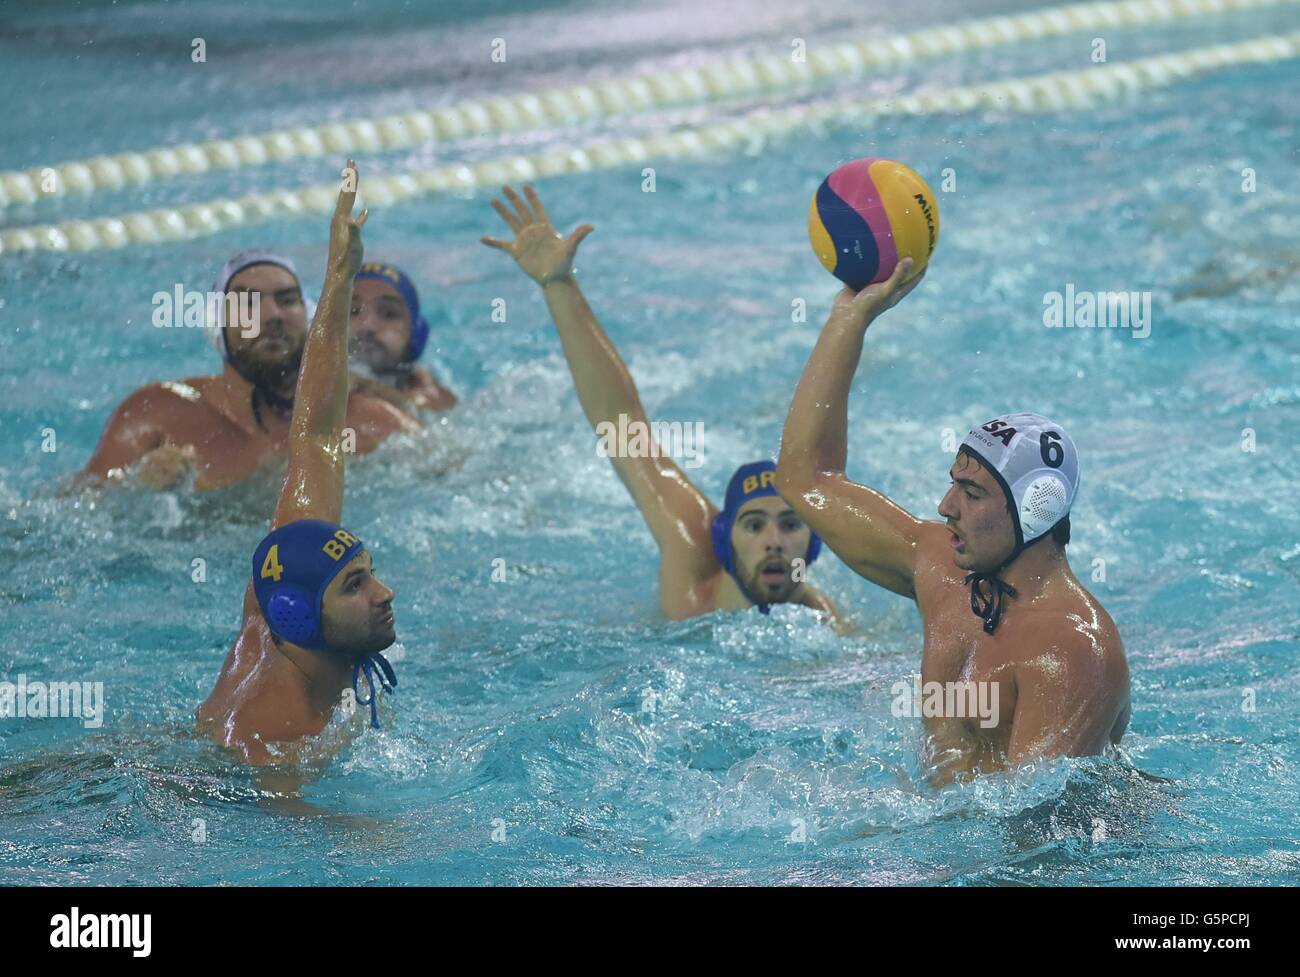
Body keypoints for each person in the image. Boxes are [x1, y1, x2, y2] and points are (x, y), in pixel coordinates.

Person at [776, 258, 1130, 783]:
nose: (945, 506)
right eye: (953, 484)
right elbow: (806, 479)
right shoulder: (943, 570)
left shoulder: (1073, 650)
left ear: (1036, 508)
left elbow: (1031, 838)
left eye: (972, 492)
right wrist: (849, 322)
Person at [482, 184, 839, 624]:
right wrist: (558, 285)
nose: (774, 542)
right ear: (725, 538)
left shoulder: (827, 629)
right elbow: (621, 425)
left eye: (790, 524)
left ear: (814, 543)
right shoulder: (692, 553)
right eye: (754, 525)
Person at [197, 163, 400, 766]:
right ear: (299, 616)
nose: (386, 593)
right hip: (182, 793)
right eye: (356, 586)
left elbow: (315, 432)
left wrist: (340, 275)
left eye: (366, 573)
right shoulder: (273, 737)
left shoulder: (286, 584)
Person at [84, 246, 415, 491]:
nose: (272, 315)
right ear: (218, 327)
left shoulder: (366, 420)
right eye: (248, 302)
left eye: (287, 300)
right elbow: (74, 514)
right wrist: (137, 490)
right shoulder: (157, 415)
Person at [348, 260, 457, 412]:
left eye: (388, 313)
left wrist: (363, 384)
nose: (367, 325)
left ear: (416, 334)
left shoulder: (428, 397)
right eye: (353, 311)